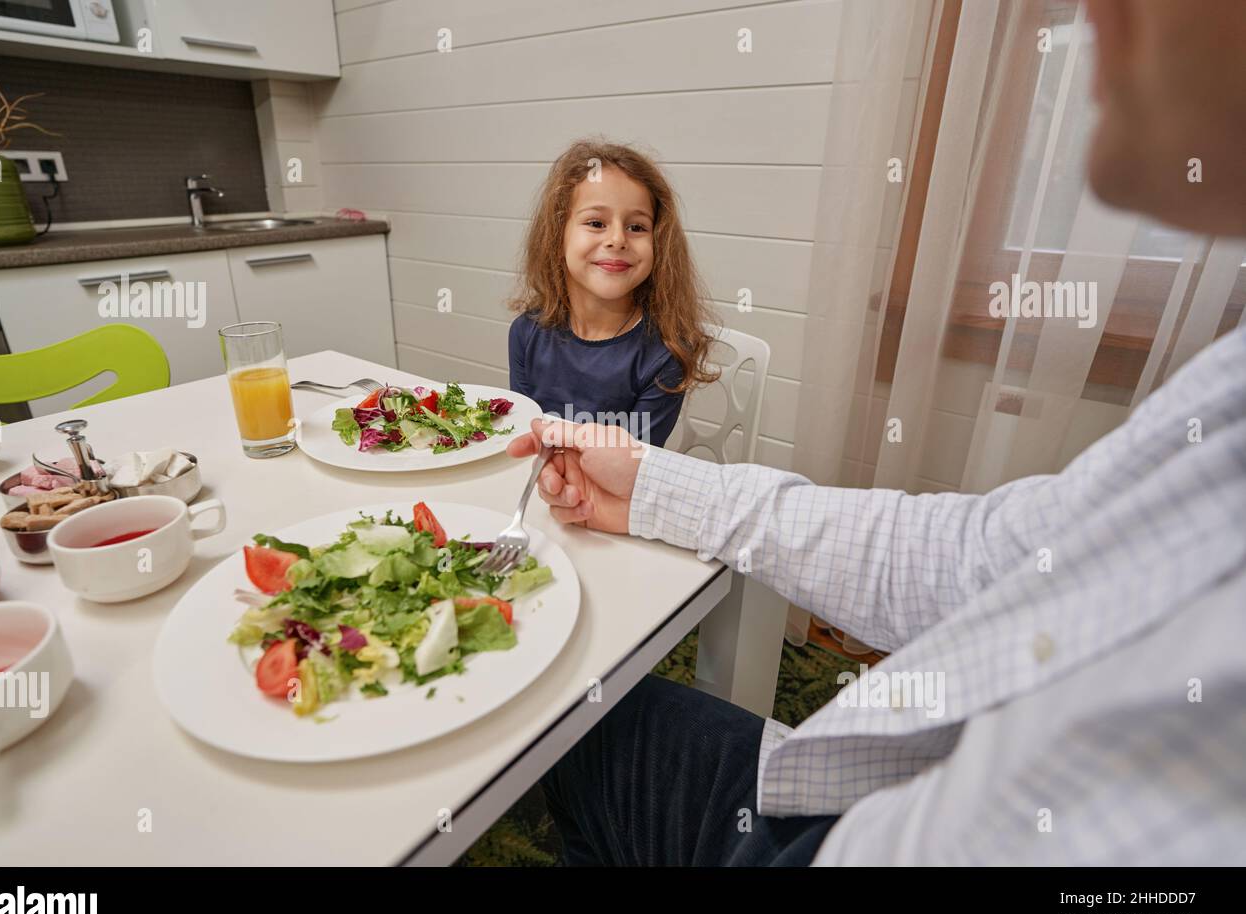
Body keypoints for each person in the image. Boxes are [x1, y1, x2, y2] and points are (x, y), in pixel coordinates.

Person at [505, 0, 1246, 865]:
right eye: (594, 222)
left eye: (636, 225)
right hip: (849, 796)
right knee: (593, 727)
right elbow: (993, 553)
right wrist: (657, 489)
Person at [507, 139, 718, 448]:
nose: (617, 239)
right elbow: (526, 435)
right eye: (596, 223)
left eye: (637, 227)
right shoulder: (526, 333)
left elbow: (629, 464)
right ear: (557, 236)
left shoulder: (666, 354)